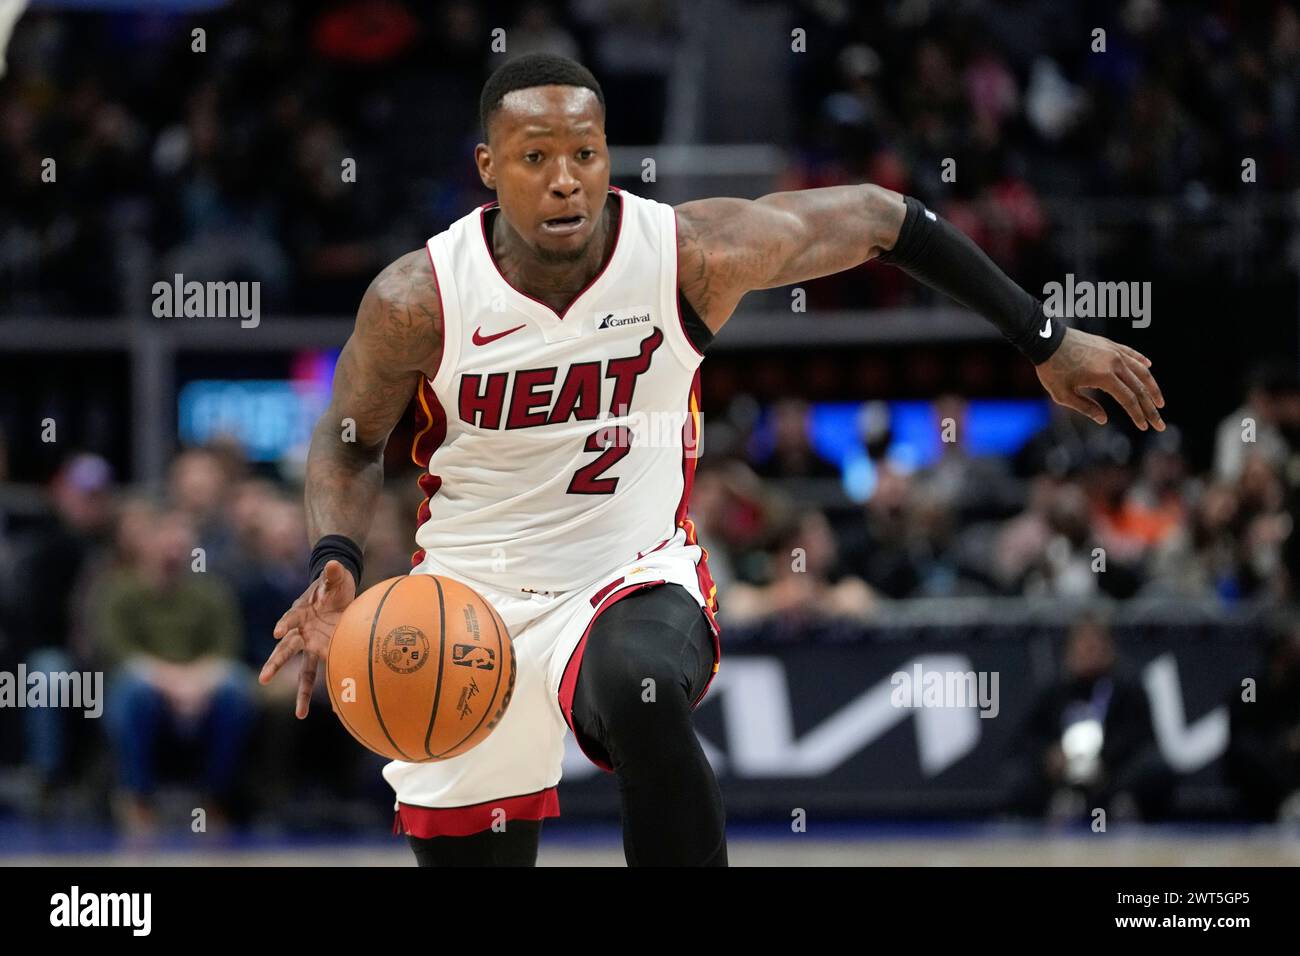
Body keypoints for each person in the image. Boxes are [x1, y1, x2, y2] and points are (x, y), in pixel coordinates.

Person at [259, 53, 1166, 867]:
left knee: (639, 687)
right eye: (536, 159)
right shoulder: (418, 298)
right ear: (490, 170)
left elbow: (883, 218)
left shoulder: (684, 255)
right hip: (466, 598)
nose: (566, 181)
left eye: (585, 154)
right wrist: (334, 562)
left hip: (627, 577)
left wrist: (1043, 337)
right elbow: (350, 441)